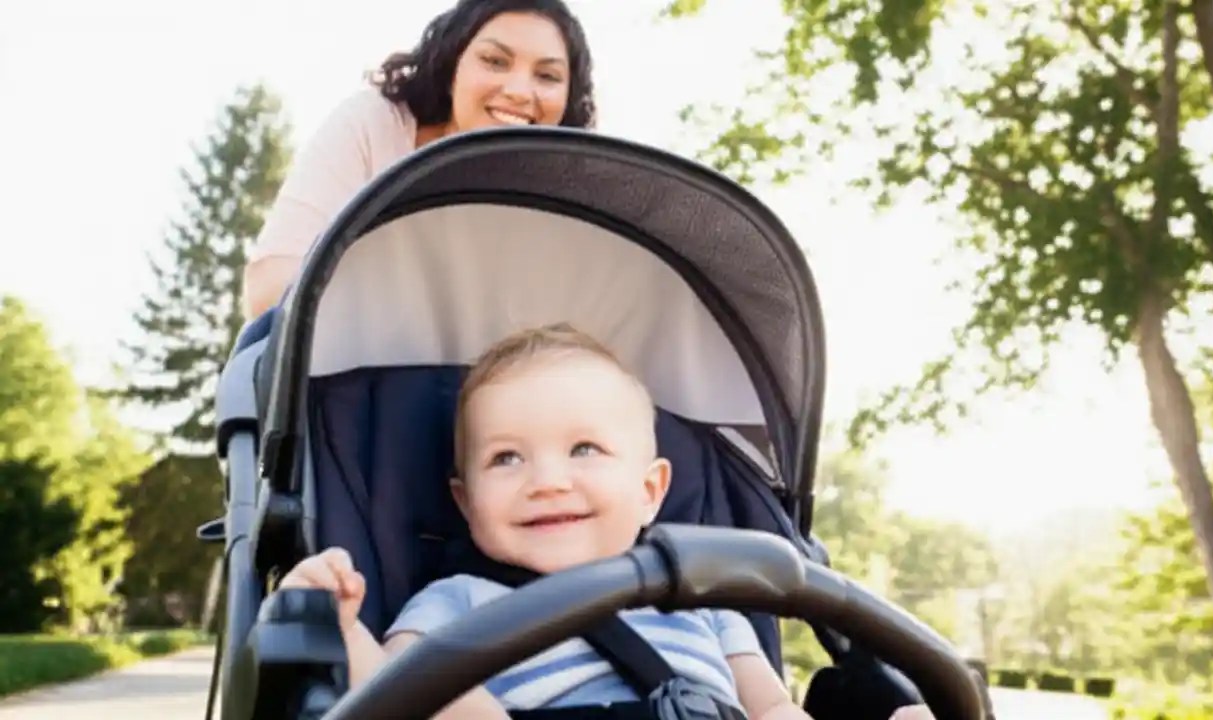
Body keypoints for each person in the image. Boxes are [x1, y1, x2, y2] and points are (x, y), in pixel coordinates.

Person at [280, 324, 937, 720]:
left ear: (651, 490)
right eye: (506, 457)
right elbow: (393, 698)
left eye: (584, 449)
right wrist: (339, 627)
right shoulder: (458, 602)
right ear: (464, 500)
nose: (548, 480)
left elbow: (768, 707)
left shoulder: (710, 605)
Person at [241, 0, 597, 320]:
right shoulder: (374, 125)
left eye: (547, 76)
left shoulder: (568, 199)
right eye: (494, 61)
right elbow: (270, 287)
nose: (519, 91)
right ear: (453, 65)